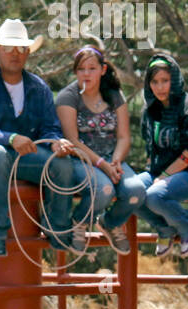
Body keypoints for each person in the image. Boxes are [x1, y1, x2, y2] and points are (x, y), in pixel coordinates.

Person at [0, 18, 84, 256]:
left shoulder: (39, 88)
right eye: (8, 48)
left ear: (28, 52)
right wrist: (11, 138)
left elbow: (50, 127)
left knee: (61, 164)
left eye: (20, 49)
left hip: (22, 156)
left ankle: (57, 229)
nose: (14, 54)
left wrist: (55, 141)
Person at [55, 46, 145, 255]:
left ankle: (110, 223)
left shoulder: (114, 95)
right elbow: (73, 141)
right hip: (82, 160)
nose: (86, 74)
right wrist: (103, 166)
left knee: (136, 191)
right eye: (81, 69)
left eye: (92, 68)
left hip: (112, 159)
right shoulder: (68, 97)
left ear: (103, 70)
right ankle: (79, 222)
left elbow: (124, 136)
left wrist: (115, 161)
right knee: (104, 190)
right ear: (75, 72)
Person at [137, 52, 188, 258]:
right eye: (155, 82)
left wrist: (164, 177)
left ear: (175, 80)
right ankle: (165, 229)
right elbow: (150, 149)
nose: (160, 87)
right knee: (130, 191)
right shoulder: (149, 110)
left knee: (154, 195)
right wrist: (154, 174)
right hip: (159, 171)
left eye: (165, 81)